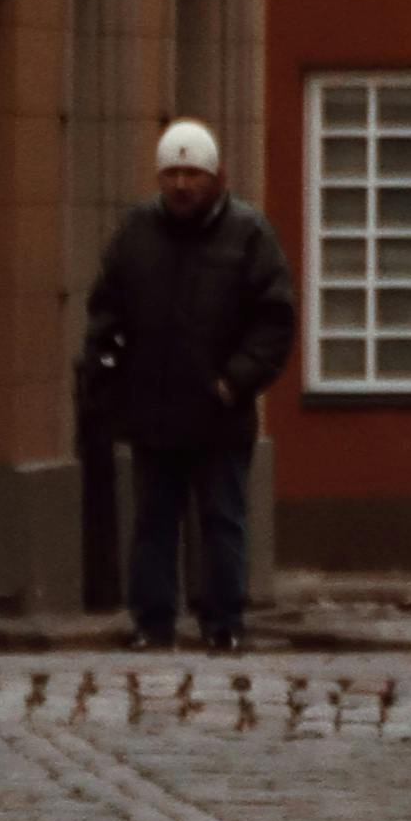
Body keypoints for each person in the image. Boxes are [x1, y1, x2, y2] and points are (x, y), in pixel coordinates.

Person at [82, 117, 296, 653]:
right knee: (154, 523)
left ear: (216, 176)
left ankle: (223, 622)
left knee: (222, 520)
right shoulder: (135, 233)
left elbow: (274, 320)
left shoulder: (249, 234)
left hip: (219, 411)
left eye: (193, 174)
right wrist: (111, 378)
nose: (182, 184)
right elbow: (106, 311)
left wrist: (235, 382)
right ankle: (152, 623)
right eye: (172, 173)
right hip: (153, 410)